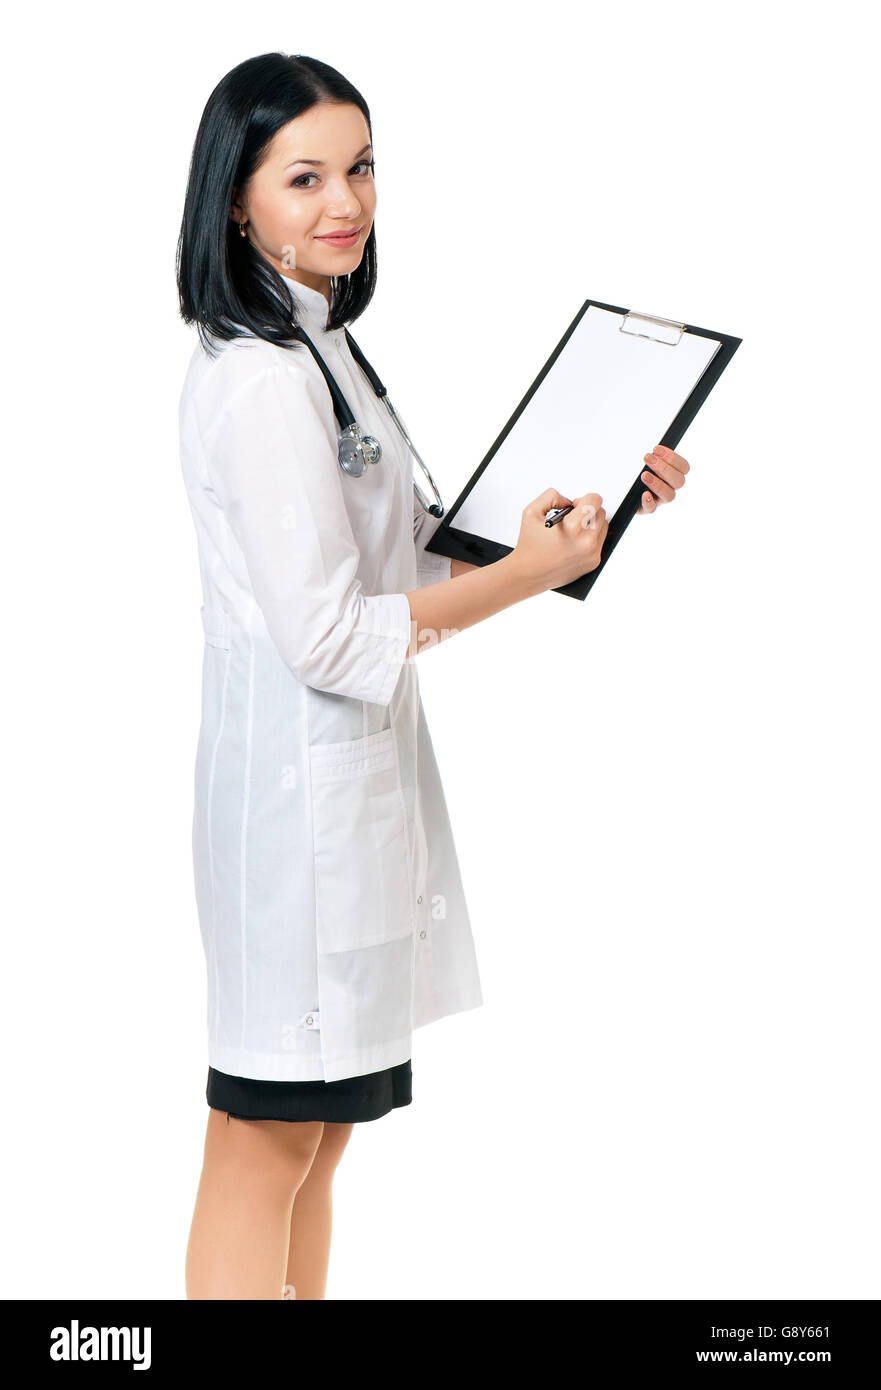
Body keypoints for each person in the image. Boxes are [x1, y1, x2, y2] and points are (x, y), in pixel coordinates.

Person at [175, 51, 690, 1301]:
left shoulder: (323, 350)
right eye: (304, 177)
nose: (342, 201)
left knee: (321, 1136)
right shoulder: (255, 381)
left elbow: (411, 558)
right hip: (292, 819)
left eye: (358, 168)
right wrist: (521, 579)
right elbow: (334, 637)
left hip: (347, 804)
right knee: (264, 1141)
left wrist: (586, 519)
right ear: (235, 199)